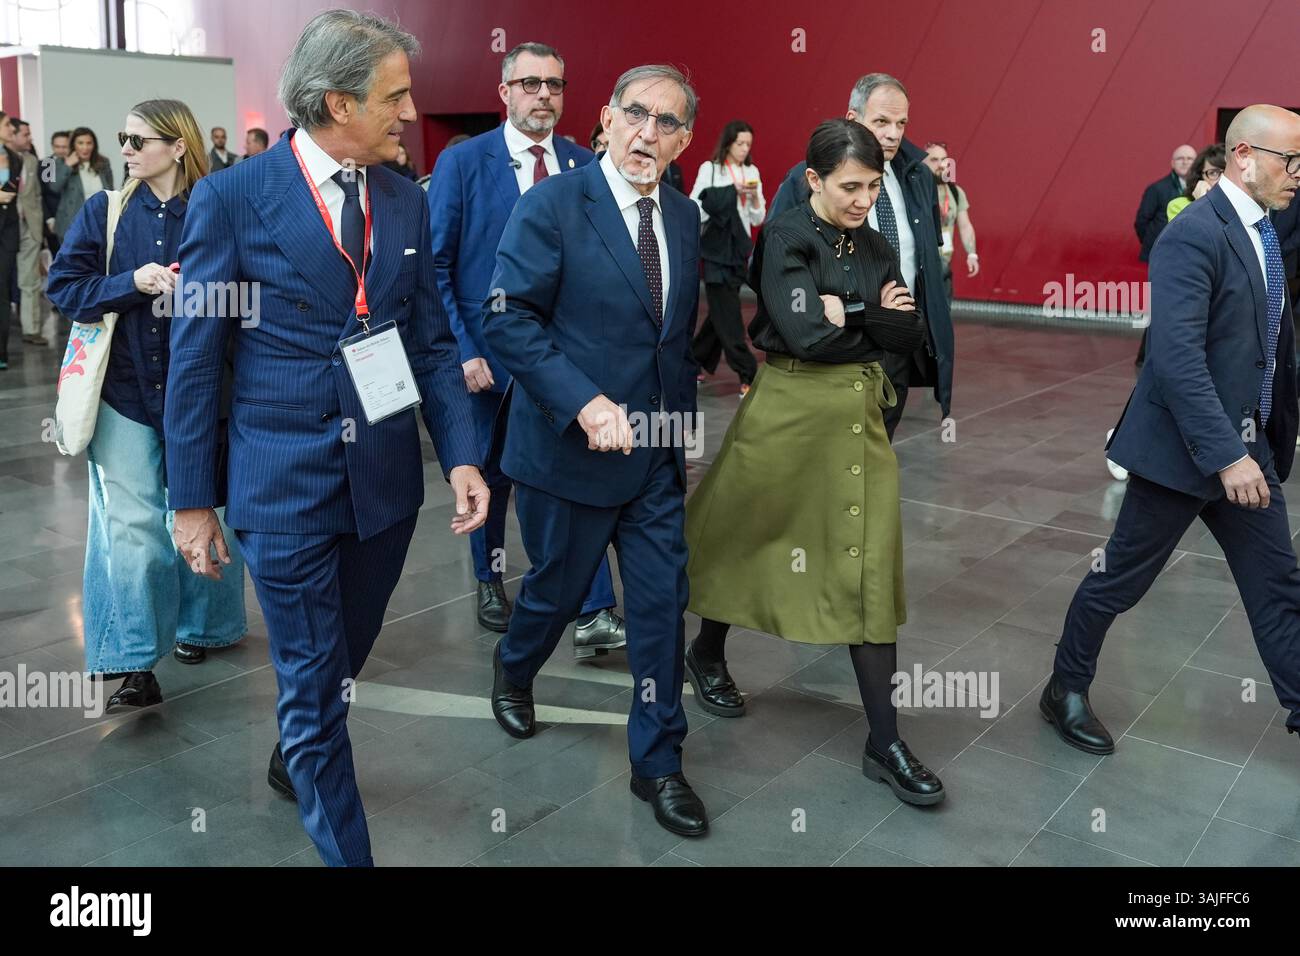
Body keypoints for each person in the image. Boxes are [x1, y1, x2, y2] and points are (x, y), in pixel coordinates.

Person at [165, 10, 489, 867]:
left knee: (338, 659)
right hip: (282, 486)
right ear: (337, 102)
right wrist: (192, 501)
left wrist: (459, 453)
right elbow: (195, 362)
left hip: (383, 485)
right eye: (395, 96)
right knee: (313, 685)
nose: (411, 113)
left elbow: (430, 341)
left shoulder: (404, 197)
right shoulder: (231, 197)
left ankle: (297, 741)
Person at [684, 119, 943, 806]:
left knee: (866, 568)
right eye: (849, 187)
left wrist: (845, 311)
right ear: (813, 181)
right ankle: (707, 650)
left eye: (872, 185)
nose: (862, 199)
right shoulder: (786, 235)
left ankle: (882, 740)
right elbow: (802, 330)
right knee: (746, 539)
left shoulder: (879, 243)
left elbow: (907, 332)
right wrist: (867, 315)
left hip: (856, 414)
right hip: (787, 409)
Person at [484, 63, 708, 837]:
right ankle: (514, 669)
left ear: (685, 140)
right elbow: (507, 319)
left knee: (658, 609)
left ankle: (659, 762)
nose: (649, 132)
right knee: (553, 591)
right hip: (569, 455)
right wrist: (582, 399)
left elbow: (669, 340)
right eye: (637, 114)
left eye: (668, 122)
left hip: (652, 460)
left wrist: (679, 433)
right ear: (607, 119)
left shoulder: (682, 217)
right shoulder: (553, 205)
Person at [1044, 105, 1300, 755]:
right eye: (1289, 161)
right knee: (1121, 580)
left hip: (1250, 447)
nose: (1297, 174)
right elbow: (1177, 358)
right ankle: (1064, 688)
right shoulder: (1194, 235)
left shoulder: (1268, 232)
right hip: (1184, 454)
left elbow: (1266, 345)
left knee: (1277, 587)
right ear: (1244, 155)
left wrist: (1259, 442)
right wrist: (1225, 456)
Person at [47, 99, 247, 706]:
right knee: (131, 528)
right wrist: (130, 284)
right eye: (123, 139)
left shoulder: (221, 210)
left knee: (210, 508)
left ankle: (206, 626)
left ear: (178, 146)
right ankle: (136, 660)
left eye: (139, 141)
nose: (126, 151)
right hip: (125, 393)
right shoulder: (104, 212)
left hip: (206, 393)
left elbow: (251, 301)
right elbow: (65, 288)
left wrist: (208, 296)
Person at [428, 41, 625, 654]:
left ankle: (593, 609)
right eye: (531, 83)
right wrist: (463, 350)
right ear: (505, 92)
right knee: (489, 474)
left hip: (560, 362)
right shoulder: (463, 164)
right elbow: (435, 267)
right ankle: (490, 576)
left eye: (556, 85)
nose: (545, 94)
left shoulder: (579, 164)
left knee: (574, 473)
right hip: (486, 358)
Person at [770, 73, 952, 438]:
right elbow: (774, 270)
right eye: (881, 121)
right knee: (832, 464)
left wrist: (915, 329)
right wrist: (851, 311)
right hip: (833, 358)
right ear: (852, 120)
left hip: (896, 349)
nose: (893, 133)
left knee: (876, 455)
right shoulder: (804, 181)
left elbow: (928, 262)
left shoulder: (918, 178)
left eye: (901, 123)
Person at [688, 119, 763, 395]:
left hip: (738, 249)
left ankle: (692, 362)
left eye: (748, 145)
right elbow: (695, 204)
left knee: (719, 314)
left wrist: (752, 197)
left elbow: (758, 217)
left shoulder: (751, 171)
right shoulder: (711, 170)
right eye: (740, 143)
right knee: (729, 314)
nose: (744, 149)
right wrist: (728, 196)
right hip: (716, 249)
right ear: (729, 142)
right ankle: (748, 373)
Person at [1133, 144, 1196, 366]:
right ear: (1172, 162)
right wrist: (1153, 246)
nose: (1185, 162)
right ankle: (1147, 356)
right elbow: (1141, 221)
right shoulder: (1157, 189)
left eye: (1190, 158)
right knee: (1160, 305)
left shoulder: (1203, 190)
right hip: (1162, 258)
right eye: (1180, 158)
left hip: (1190, 259)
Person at [922, 141, 978, 306]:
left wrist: (972, 254)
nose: (940, 164)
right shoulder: (917, 191)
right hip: (922, 267)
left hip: (943, 266)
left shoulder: (955, 192)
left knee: (944, 316)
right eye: (934, 160)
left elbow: (965, 226)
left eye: (944, 159)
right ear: (923, 162)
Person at [10, 118, 47, 347]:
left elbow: (37, 196)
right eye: (25, 134)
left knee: (30, 280)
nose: (30, 138)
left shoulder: (33, 161)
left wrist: (42, 226)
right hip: (7, 224)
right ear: (11, 135)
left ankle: (31, 329)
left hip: (30, 226)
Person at [51, 127, 115, 244]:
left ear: (94, 145)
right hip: (72, 221)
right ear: (73, 145)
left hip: (99, 220)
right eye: (80, 143)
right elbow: (54, 187)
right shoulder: (60, 162)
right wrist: (68, 165)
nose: (85, 147)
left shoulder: (103, 163)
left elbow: (110, 190)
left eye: (89, 143)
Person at [0, 112, 21, 369]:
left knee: (2, 289)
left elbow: (11, 193)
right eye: (6, 125)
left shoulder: (14, 157)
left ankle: (1, 353)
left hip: (8, 230)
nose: (11, 129)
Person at [1166, 144, 1225, 222]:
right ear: (1200, 176)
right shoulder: (1178, 206)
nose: (1221, 179)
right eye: (1213, 173)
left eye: (1227, 173)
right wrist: (1202, 204)